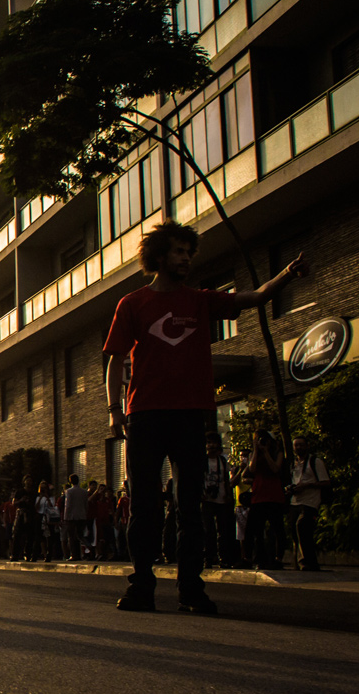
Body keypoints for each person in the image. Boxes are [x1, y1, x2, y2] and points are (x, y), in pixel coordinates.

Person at [104, 222, 304, 613]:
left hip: (191, 416)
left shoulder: (200, 300)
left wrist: (286, 274)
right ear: (159, 256)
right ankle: (141, 586)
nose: (186, 259)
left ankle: (190, 590)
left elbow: (258, 297)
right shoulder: (132, 304)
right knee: (145, 506)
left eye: (189, 253)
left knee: (189, 507)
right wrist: (115, 412)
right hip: (144, 416)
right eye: (179, 251)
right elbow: (114, 361)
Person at [286, 434, 331, 573]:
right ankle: (299, 562)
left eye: (301, 445)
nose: (298, 447)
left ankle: (308, 562)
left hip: (310, 502)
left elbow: (326, 482)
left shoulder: (315, 462)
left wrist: (307, 485)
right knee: (295, 532)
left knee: (303, 527)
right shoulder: (293, 463)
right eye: (296, 445)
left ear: (307, 446)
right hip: (295, 502)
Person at [244, 430, 288, 571]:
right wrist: (256, 450)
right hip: (258, 496)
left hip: (274, 496)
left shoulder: (277, 454)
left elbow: (275, 468)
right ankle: (257, 558)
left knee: (277, 529)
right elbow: (252, 468)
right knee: (255, 530)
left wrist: (267, 452)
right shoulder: (254, 454)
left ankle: (278, 558)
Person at [202, 436, 238, 568]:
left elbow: (227, 480)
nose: (211, 446)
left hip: (222, 499)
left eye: (213, 443)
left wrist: (229, 495)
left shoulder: (222, 461)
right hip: (206, 500)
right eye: (208, 442)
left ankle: (224, 557)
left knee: (223, 530)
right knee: (208, 530)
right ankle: (209, 557)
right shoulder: (201, 461)